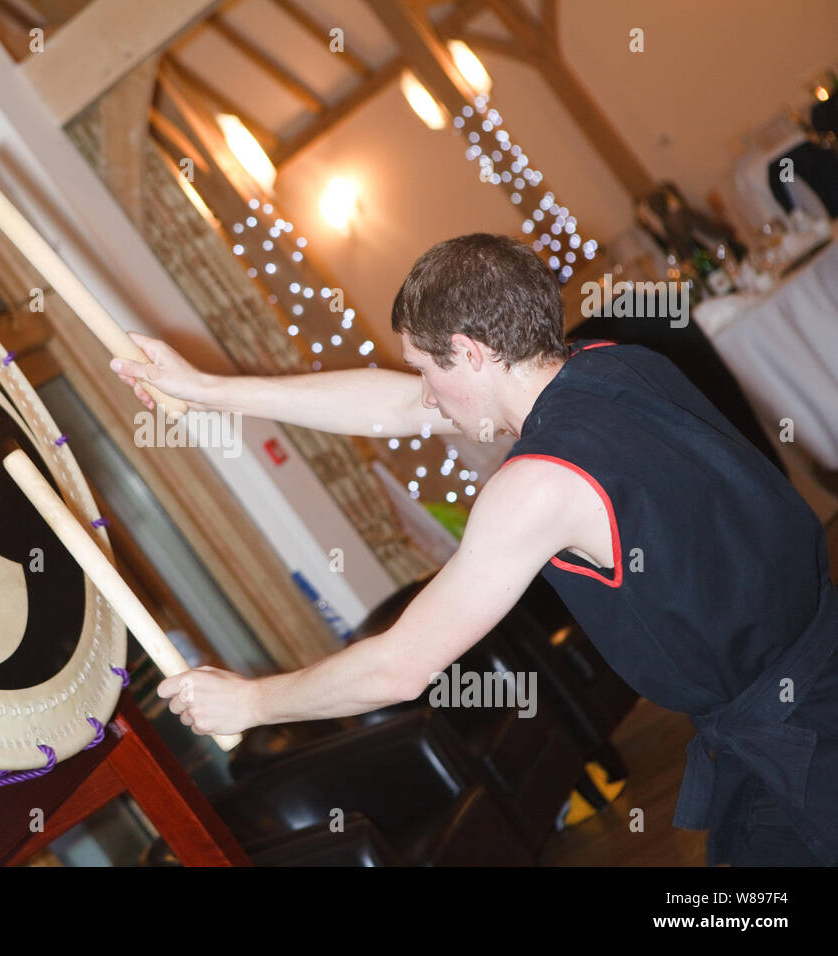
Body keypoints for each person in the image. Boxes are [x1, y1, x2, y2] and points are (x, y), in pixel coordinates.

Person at [108, 232, 838, 867]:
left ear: (469, 352)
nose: (424, 392)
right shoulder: (617, 363)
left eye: (428, 370)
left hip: (799, 742)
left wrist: (252, 700)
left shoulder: (536, 488)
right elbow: (392, 404)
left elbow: (399, 668)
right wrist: (206, 389)